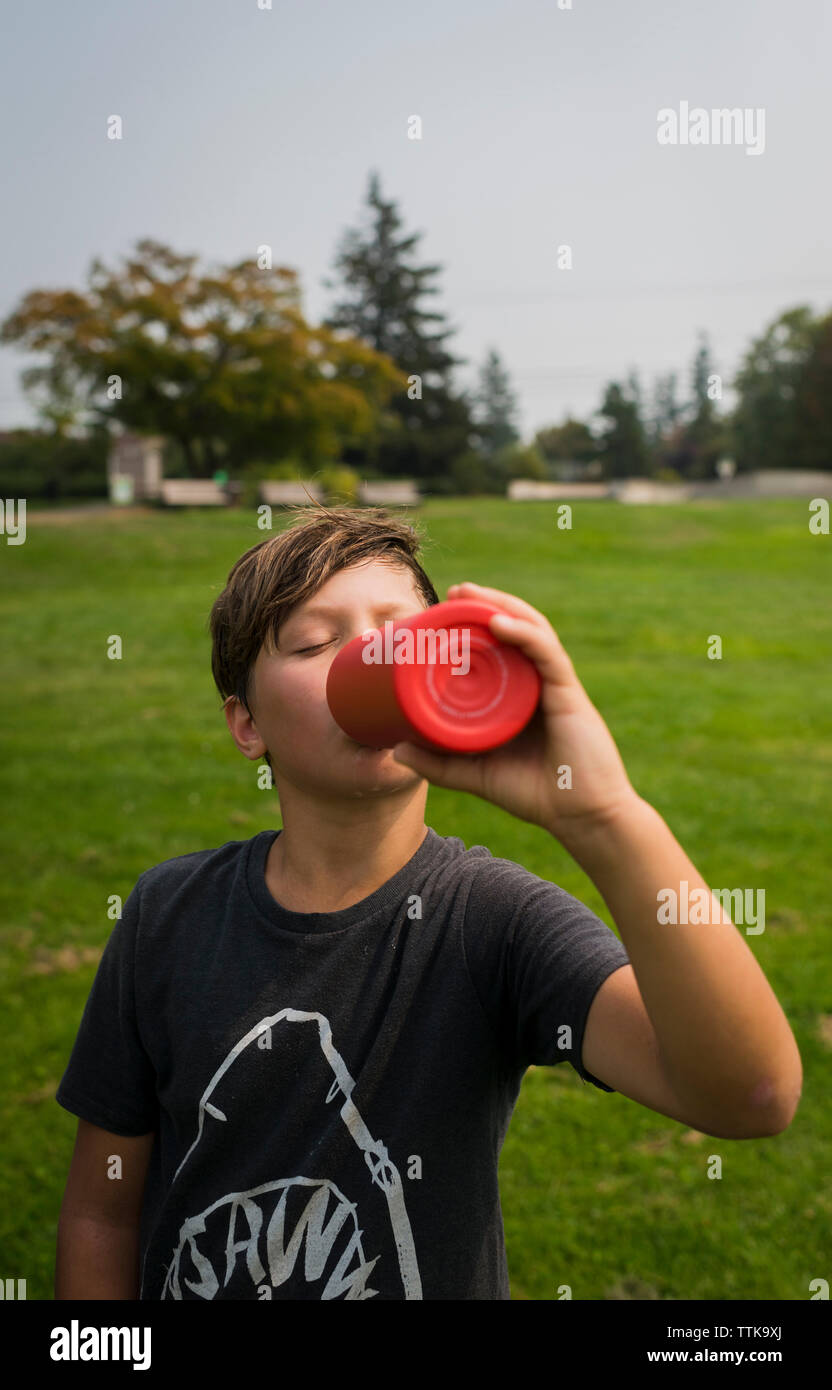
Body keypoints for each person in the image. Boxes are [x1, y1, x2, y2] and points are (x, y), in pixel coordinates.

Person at [54, 503, 802, 1300]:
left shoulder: (493, 921)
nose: (374, 657)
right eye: (315, 642)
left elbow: (749, 1095)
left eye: (401, 634)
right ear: (247, 725)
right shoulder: (168, 912)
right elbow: (102, 1213)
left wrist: (605, 816)